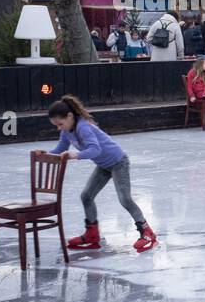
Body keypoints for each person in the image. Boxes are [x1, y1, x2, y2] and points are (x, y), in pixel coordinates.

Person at [40, 95, 158, 253]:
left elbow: (96, 149)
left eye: (60, 124)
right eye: (56, 126)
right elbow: (60, 149)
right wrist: (44, 154)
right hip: (103, 165)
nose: (59, 128)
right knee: (86, 196)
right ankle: (92, 234)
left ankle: (147, 232)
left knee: (125, 199)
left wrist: (75, 155)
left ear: (69, 116)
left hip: (118, 162)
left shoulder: (83, 127)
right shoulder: (66, 131)